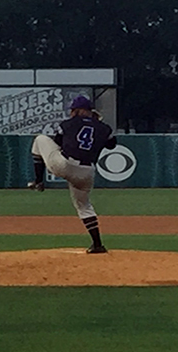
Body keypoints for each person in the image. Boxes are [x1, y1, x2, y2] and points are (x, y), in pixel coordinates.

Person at [28, 95, 116, 253]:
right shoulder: (104, 128)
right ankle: (97, 244)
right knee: (84, 206)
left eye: (74, 110)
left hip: (65, 165)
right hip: (87, 172)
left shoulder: (68, 124)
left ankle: (38, 181)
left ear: (81, 110)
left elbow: (58, 142)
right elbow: (112, 145)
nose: (71, 113)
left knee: (40, 140)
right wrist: (98, 126)